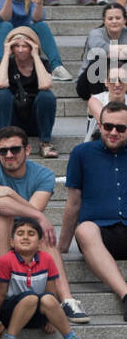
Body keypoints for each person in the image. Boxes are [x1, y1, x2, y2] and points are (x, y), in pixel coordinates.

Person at [0, 124, 88, 323]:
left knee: (42, 235)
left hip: (22, 233)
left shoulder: (44, 175)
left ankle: (68, 300)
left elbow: (30, 216)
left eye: (15, 149)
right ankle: (6, 279)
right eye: (3, 151)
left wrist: (9, 193)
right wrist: (40, 217)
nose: (9, 155)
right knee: (2, 213)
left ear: (27, 150)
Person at [59, 101, 127, 321]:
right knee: (85, 229)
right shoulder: (82, 153)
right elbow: (73, 202)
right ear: (99, 124)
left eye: (121, 128)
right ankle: (125, 294)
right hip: (100, 234)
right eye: (108, 126)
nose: (113, 132)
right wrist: (61, 247)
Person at [0, 218, 93, 339]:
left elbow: (51, 293)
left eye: (31, 233)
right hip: (11, 313)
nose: (25, 237)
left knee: (48, 298)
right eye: (20, 233)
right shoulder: (5, 261)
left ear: (39, 243)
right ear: (12, 242)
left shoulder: (47, 259)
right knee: (30, 297)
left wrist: (50, 321)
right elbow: (0, 295)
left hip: (36, 312)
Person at [0, 27, 58, 156]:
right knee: (1, 94)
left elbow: (45, 85)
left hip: (35, 119)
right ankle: (2, 143)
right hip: (12, 121)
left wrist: (35, 55)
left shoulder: (42, 63)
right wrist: (5, 53)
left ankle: (45, 143)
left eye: (25, 46)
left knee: (47, 96)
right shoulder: (7, 63)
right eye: (16, 46)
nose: (20, 50)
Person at [76, 3, 127, 101]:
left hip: (119, 83)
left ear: (124, 20)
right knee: (101, 60)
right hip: (89, 82)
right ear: (104, 20)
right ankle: (99, 102)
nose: (114, 21)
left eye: (118, 18)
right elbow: (102, 51)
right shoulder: (95, 34)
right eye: (110, 18)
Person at [87, 63, 127, 140]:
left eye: (122, 80)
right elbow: (107, 122)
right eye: (112, 80)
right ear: (106, 82)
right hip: (98, 145)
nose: (117, 84)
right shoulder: (95, 100)